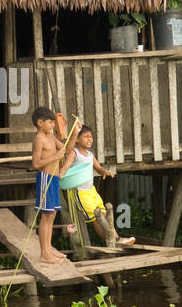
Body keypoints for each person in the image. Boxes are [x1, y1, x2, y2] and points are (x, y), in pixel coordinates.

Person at [64, 127, 135, 246]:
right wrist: (61, 175)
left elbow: (98, 168)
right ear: (76, 139)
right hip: (79, 192)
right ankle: (114, 240)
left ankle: (116, 239)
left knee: (103, 215)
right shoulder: (74, 153)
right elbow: (65, 167)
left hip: (91, 191)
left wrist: (104, 172)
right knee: (95, 218)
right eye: (86, 136)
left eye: (91, 137)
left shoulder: (90, 155)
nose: (89, 139)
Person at [31, 107, 79, 265]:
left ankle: (49, 248)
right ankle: (44, 253)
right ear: (40, 123)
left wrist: (75, 133)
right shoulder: (39, 139)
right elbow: (36, 163)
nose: (53, 125)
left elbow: (67, 150)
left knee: (51, 215)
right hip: (45, 178)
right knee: (46, 216)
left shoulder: (50, 136)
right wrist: (54, 157)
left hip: (54, 179)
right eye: (50, 122)